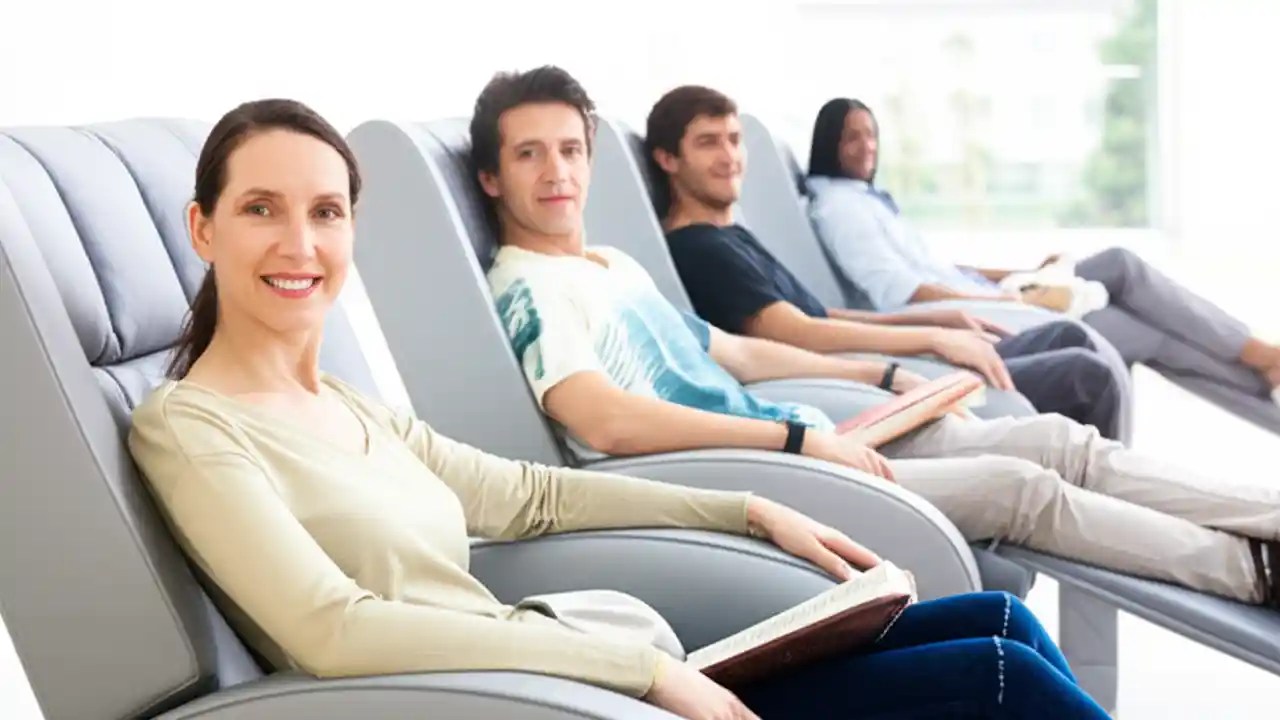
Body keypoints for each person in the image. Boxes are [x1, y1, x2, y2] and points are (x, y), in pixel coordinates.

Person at [123, 96, 1107, 720]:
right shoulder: (191, 425)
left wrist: (746, 508)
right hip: (514, 700)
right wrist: (636, 674)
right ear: (203, 228)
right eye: (261, 209)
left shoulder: (344, 402)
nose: (298, 241)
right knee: (994, 681)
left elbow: (530, 498)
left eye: (325, 211)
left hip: (567, 675)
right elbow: (333, 631)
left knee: (990, 622)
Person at [477, 67, 1280, 613]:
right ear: (492, 178)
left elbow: (735, 353)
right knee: (1021, 489)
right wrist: (795, 439)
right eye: (529, 154)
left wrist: (885, 370)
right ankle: (1253, 573)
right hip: (753, 477)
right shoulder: (527, 287)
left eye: (571, 149)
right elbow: (604, 422)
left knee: (1062, 442)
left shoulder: (610, 264)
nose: (558, 171)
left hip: (808, 433)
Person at [644, 84, 1124, 440]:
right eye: (709, 143)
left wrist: (938, 320)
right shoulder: (699, 247)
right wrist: (927, 337)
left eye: (733, 139)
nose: (730, 156)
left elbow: (821, 314)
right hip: (866, 375)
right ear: (667, 159)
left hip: (883, 353)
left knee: (1070, 334)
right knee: (1087, 373)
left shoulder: (732, 233)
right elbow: (795, 331)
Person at [805, 97, 1280, 417]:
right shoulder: (840, 210)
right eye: (852, 137)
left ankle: (1260, 362)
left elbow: (945, 270)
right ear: (830, 144)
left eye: (871, 135)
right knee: (1142, 318)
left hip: (995, 297)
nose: (866, 147)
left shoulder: (866, 199)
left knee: (1124, 273)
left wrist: (1026, 274)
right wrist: (1013, 303)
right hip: (990, 318)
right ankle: (1260, 361)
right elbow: (905, 292)